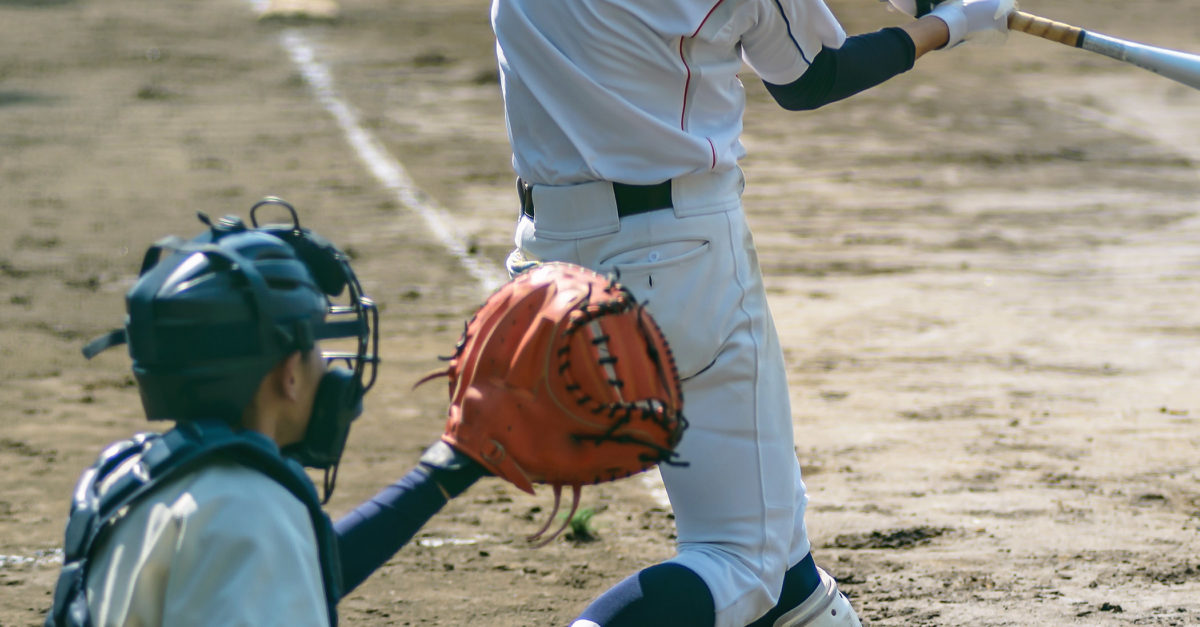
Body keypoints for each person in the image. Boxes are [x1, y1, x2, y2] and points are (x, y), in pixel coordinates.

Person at [492, 0, 1014, 625]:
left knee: (776, 544)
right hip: (676, 264)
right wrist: (951, 25)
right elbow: (809, 78)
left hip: (545, 270)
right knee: (742, 559)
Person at [45, 198, 486, 627]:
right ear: (288, 374)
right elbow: (261, 555)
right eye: (314, 347)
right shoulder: (248, 514)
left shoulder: (125, 481)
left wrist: (440, 475)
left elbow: (300, 576)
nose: (327, 366)